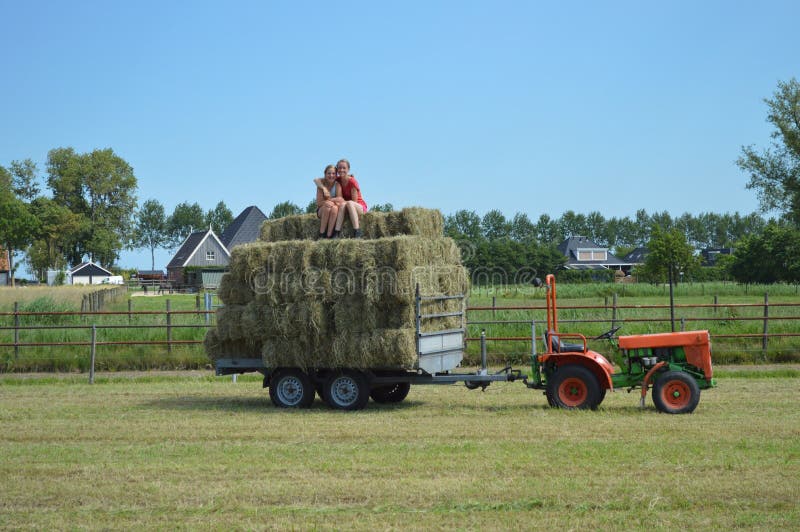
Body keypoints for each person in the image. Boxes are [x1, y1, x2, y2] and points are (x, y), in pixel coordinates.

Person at [315, 158, 368, 238]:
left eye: (344, 168)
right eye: (339, 168)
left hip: (357, 205)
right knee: (339, 205)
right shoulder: (338, 179)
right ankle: (333, 233)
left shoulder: (351, 182)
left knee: (345, 204)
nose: (341, 170)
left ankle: (357, 231)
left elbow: (353, 201)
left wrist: (332, 200)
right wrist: (324, 188)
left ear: (348, 169)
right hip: (343, 205)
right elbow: (316, 180)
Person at [315, 164, 344, 238]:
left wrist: (330, 201)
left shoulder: (337, 185)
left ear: (336, 175)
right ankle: (322, 233)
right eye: (329, 173)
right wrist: (326, 202)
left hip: (334, 207)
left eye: (333, 173)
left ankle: (329, 235)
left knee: (334, 208)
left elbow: (340, 200)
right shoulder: (321, 186)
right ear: (325, 174)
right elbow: (318, 203)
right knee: (327, 207)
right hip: (321, 209)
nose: (331, 175)